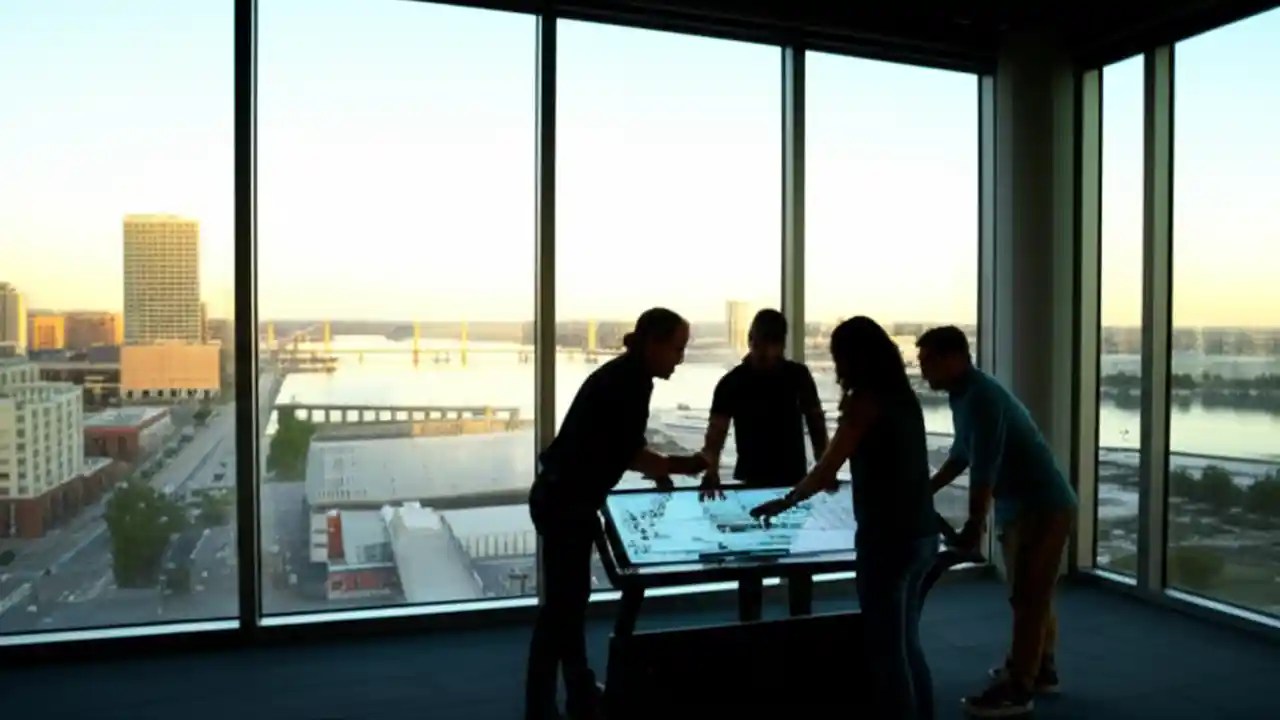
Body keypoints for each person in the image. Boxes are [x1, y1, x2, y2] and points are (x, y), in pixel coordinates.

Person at [526, 307, 709, 720]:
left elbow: (617, 447)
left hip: (564, 498)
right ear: (654, 344)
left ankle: (575, 692)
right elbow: (631, 453)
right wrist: (684, 466)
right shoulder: (629, 383)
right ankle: (543, 706)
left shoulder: (625, 376)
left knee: (567, 607)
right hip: (567, 502)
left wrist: (661, 470)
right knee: (561, 611)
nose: (680, 359)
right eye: (677, 349)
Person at [751, 316, 938, 720]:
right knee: (908, 643)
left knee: (887, 653)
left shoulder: (864, 402)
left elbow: (827, 468)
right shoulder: (904, 398)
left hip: (887, 538)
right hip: (922, 532)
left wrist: (786, 502)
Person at [916, 325, 1078, 718]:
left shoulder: (982, 398)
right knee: (1029, 595)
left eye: (929, 363)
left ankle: (1019, 688)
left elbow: (985, 465)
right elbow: (962, 454)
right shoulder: (963, 395)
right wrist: (924, 489)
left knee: (1029, 598)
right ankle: (1041, 669)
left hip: (1042, 506)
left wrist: (975, 524)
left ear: (954, 358)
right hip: (1021, 506)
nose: (924, 372)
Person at [699, 308, 828, 617]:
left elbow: (717, 431)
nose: (766, 352)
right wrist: (711, 469)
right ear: (750, 340)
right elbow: (815, 423)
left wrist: (824, 467)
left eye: (771, 345)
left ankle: (773, 625)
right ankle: (786, 624)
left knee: (787, 562)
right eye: (761, 344)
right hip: (772, 480)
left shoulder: (735, 381)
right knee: (768, 563)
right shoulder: (792, 376)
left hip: (777, 480)